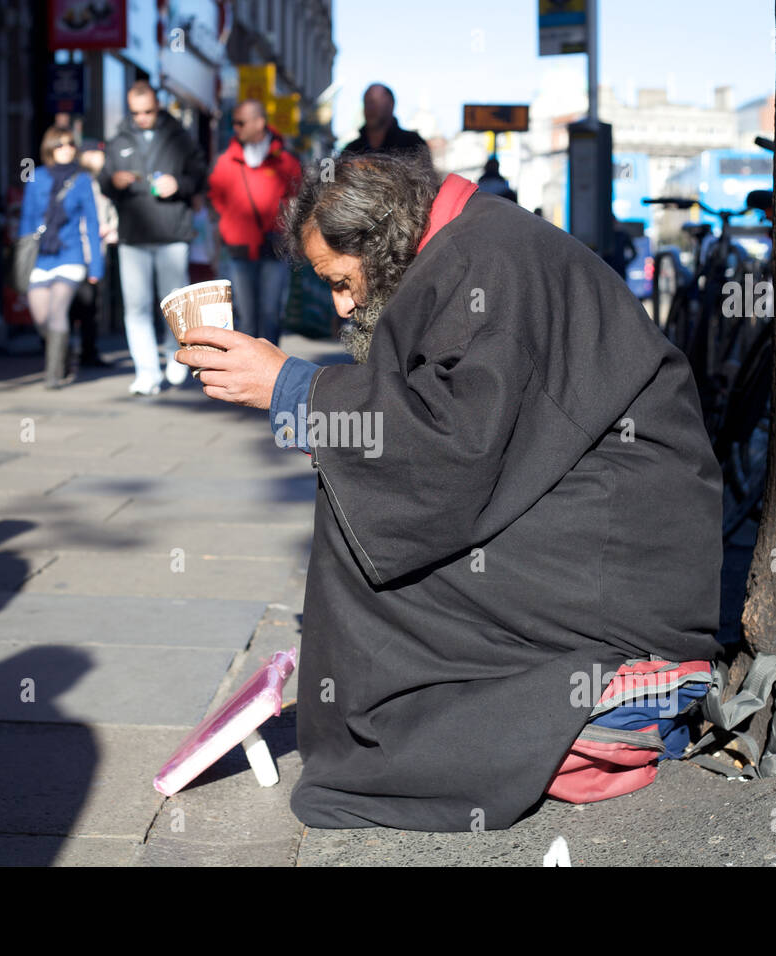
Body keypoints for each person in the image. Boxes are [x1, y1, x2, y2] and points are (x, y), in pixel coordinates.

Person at [173, 151, 723, 832]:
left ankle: (599, 702)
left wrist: (293, 389)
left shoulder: (482, 261)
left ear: (385, 242)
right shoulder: (469, 246)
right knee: (364, 507)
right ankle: (535, 713)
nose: (344, 306)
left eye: (343, 283)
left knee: (367, 526)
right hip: (604, 528)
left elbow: (451, 445)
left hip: (624, 570)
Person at [102, 81, 208, 396]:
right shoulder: (118, 139)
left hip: (171, 232)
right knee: (136, 306)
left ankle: (176, 357)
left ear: (157, 106)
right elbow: (104, 181)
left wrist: (180, 184)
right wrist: (113, 181)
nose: (143, 117)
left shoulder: (179, 136)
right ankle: (146, 372)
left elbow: (200, 175)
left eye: (148, 111)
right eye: (137, 113)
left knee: (173, 304)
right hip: (133, 236)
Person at [207, 99, 302, 346]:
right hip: (239, 251)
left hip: (274, 248)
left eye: (240, 122)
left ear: (259, 122)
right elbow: (215, 199)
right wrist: (227, 232)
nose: (235, 127)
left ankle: (271, 375)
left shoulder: (286, 160)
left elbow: (298, 199)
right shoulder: (226, 160)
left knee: (271, 315)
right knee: (246, 319)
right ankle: (247, 376)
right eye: (233, 122)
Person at [19, 126, 104, 389]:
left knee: (58, 312)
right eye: (60, 144)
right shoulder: (36, 177)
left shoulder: (82, 180)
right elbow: (27, 220)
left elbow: (91, 223)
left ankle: (53, 375)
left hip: (71, 255)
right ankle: (63, 350)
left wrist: (96, 266)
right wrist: (24, 257)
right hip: (42, 256)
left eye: (70, 144)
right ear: (50, 148)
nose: (66, 149)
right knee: (41, 318)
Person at [69, 139, 118, 368]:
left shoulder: (101, 182)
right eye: (97, 154)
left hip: (96, 252)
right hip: (80, 252)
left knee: (90, 308)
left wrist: (111, 228)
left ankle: (88, 352)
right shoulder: (79, 181)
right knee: (77, 306)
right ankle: (70, 353)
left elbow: (110, 214)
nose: (101, 159)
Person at [341, 83, 429, 157]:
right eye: (367, 103)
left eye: (376, 103)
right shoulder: (351, 149)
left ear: (391, 105)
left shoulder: (413, 144)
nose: (371, 108)